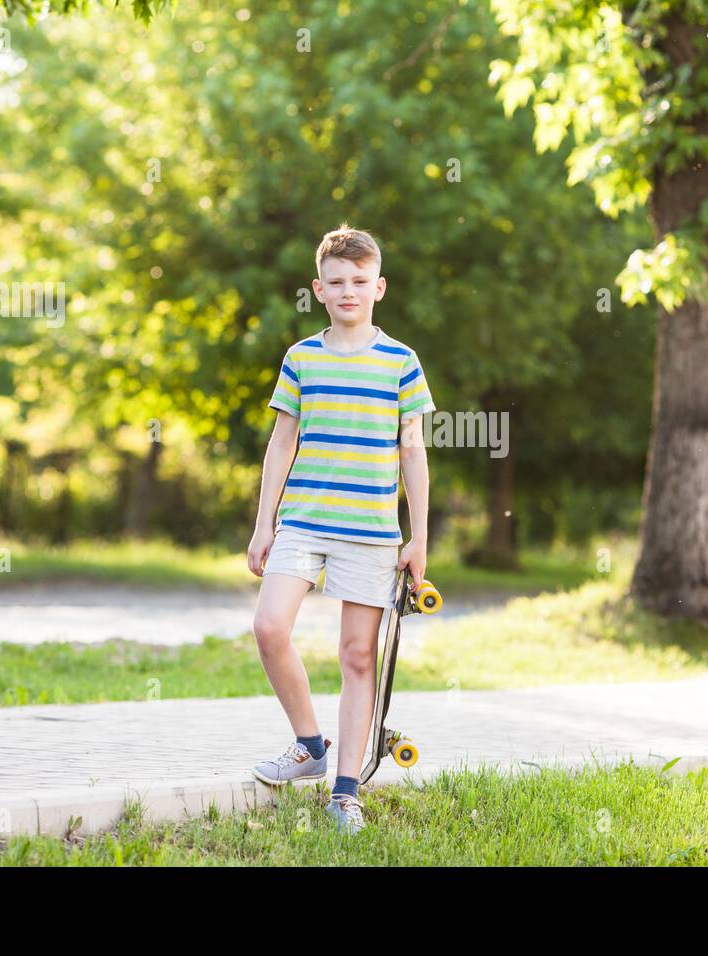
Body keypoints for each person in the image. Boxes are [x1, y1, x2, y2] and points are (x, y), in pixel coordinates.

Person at [245, 224, 436, 836]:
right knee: (269, 627)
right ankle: (310, 745)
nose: (348, 291)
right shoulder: (301, 358)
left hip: (372, 528)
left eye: (360, 281)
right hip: (301, 520)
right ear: (318, 290)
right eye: (336, 282)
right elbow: (281, 443)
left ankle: (345, 791)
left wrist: (419, 536)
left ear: (378, 287)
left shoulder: (400, 362)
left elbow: (414, 453)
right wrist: (263, 522)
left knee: (357, 656)